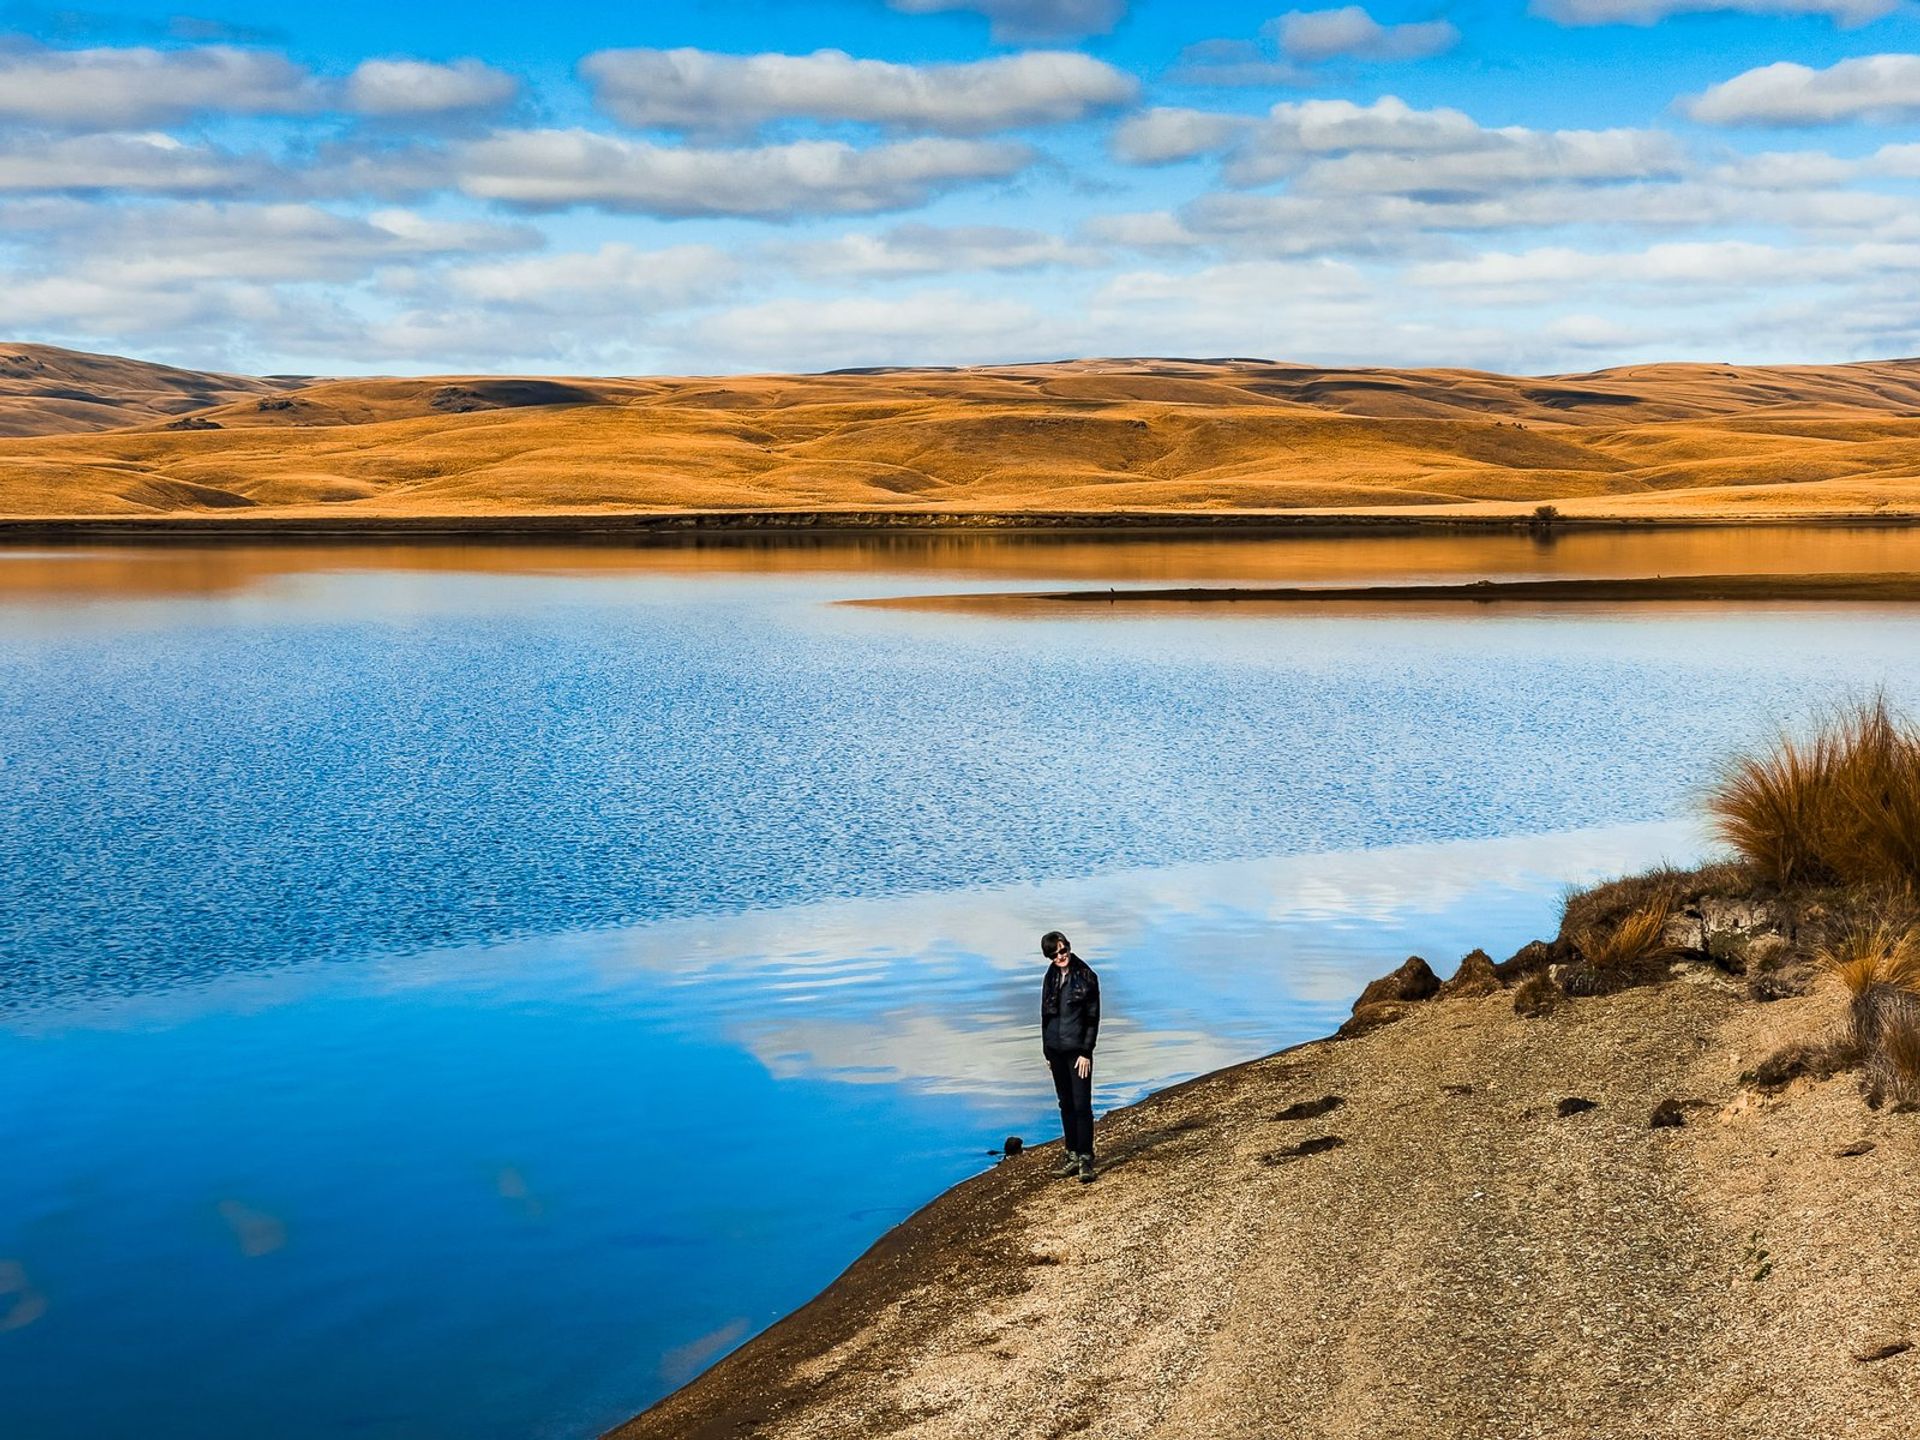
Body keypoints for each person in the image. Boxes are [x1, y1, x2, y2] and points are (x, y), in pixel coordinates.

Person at [1039, 930, 1099, 1184]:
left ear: (1069, 948)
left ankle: (1086, 1158)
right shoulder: (1050, 976)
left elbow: (1092, 1018)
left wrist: (1086, 1051)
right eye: (1054, 954)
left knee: (1081, 1104)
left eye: (1063, 951)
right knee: (1066, 1104)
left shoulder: (1086, 976)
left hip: (1078, 1051)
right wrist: (1046, 1050)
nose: (1060, 956)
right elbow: (1045, 1015)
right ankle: (1072, 1154)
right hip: (1055, 1049)